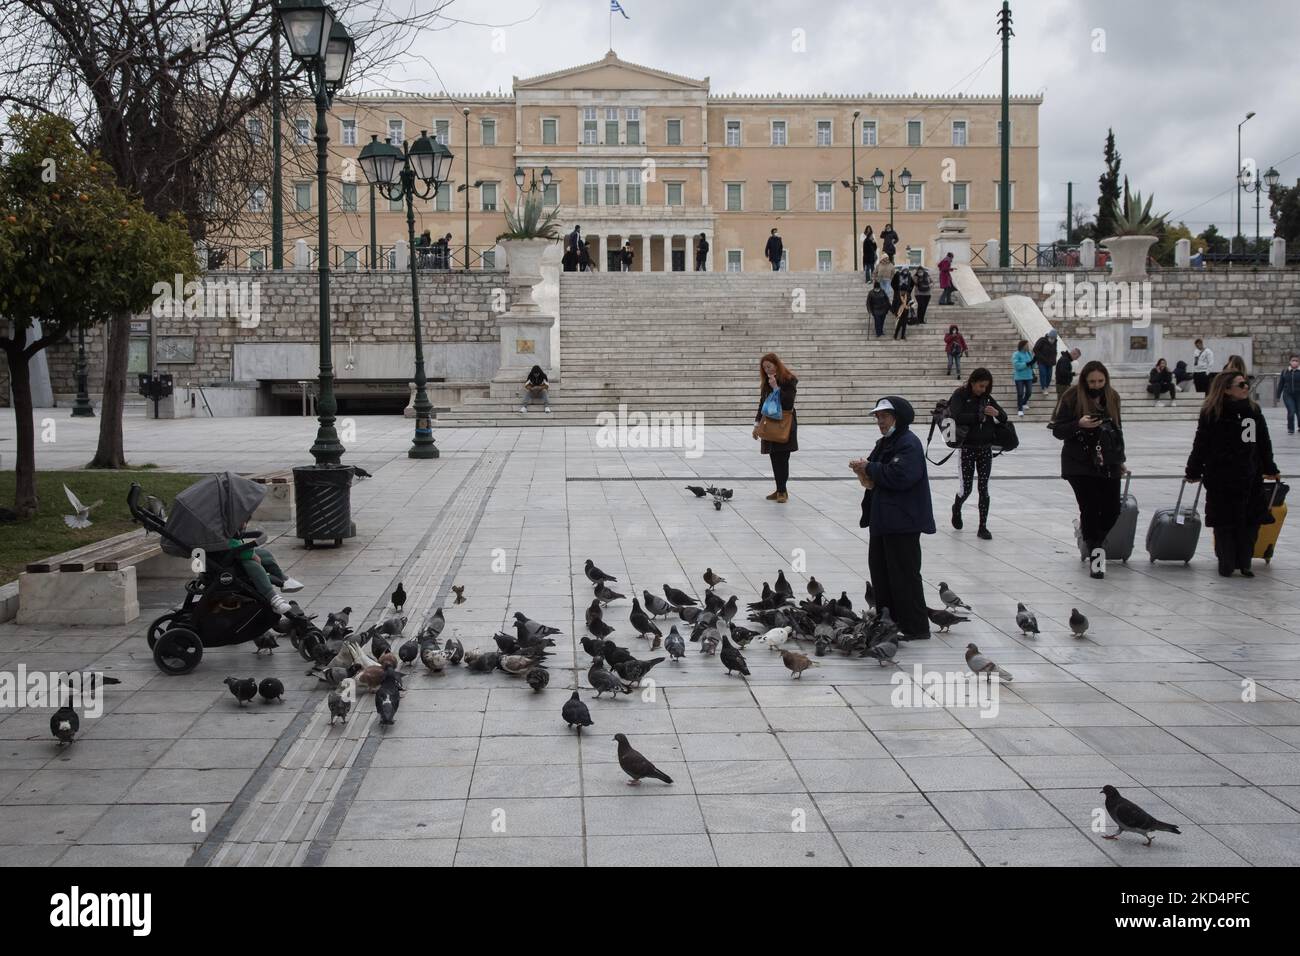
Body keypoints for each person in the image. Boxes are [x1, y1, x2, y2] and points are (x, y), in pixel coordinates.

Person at [850, 396, 934, 640]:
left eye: (884, 416)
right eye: (878, 417)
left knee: (904, 574)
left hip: (903, 521)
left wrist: (869, 467)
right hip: (884, 519)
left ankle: (916, 627)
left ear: (899, 417)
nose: (880, 422)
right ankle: (889, 622)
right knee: (881, 572)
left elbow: (900, 476)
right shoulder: (886, 442)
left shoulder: (909, 443)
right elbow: (875, 467)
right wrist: (864, 467)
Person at [1185, 371, 1280, 576]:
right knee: (1224, 522)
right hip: (1222, 477)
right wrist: (1193, 470)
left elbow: (1263, 442)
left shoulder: (1252, 410)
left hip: (1249, 477)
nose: (1246, 387)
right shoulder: (1213, 412)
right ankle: (1227, 562)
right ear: (1226, 389)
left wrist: (1270, 467)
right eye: (1241, 384)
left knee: (1250, 522)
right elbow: (1201, 443)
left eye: (1246, 383)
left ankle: (1244, 562)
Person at [1051, 360, 1128, 579]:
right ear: (1084, 380)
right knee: (1091, 508)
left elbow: (1118, 430)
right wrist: (1079, 424)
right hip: (1079, 463)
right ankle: (1097, 556)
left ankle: (1092, 538)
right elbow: (1057, 430)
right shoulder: (1071, 397)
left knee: (1112, 509)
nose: (1096, 385)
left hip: (1107, 461)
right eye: (1092, 381)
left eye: (1100, 381)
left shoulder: (1112, 398)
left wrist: (1119, 459)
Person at [947, 368, 1007, 540]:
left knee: (983, 488)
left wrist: (996, 414)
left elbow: (1003, 416)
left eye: (986, 387)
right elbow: (956, 416)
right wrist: (978, 415)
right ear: (973, 382)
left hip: (985, 448)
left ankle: (983, 526)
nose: (983, 390)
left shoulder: (986, 398)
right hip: (967, 447)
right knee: (966, 488)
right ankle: (957, 507)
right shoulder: (960, 395)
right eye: (980, 386)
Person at [228, 523, 303, 615]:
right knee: (253, 564)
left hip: (233, 552)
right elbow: (230, 545)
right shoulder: (217, 531)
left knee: (264, 554)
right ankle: (273, 597)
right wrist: (251, 555)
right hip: (229, 559)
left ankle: (282, 577)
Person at [752, 353, 798, 502]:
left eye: (769, 366)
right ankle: (779, 489)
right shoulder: (766, 381)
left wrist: (776, 387)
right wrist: (756, 424)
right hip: (769, 422)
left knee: (783, 457)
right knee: (774, 457)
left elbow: (789, 402)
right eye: (764, 368)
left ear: (776, 364)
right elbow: (762, 403)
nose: (767, 370)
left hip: (784, 422)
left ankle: (782, 491)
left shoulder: (789, 379)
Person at [1277, 354, 1300, 435]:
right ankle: (1290, 428)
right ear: (1290, 361)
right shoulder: (1285, 371)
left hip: (1299, 395)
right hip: (1288, 395)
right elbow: (1281, 384)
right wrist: (1278, 396)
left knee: (1299, 412)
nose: (1295, 362)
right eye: (1293, 360)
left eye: (1296, 360)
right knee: (1291, 411)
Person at [1012, 339, 1035, 416]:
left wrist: (1034, 362)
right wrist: (1027, 364)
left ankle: (1024, 403)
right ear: (1023, 346)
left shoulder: (1029, 353)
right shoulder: (1016, 354)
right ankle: (1020, 409)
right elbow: (1017, 365)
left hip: (1028, 376)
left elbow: (1033, 366)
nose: (1028, 346)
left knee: (1029, 392)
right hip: (1019, 377)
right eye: (1027, 345)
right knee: (1020, 393)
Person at [891, 269, 914, 340]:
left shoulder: (908, 295)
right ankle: (896, 335)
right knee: (900, 323)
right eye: (902, 291)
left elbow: (911, 301)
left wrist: (910, 304)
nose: (903, 292)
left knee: (904, 324)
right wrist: (894, 311)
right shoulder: (897, 295)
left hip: (906, 310)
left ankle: (902, 335)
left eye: (904, 291)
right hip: (899, 311)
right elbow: (894, 303)